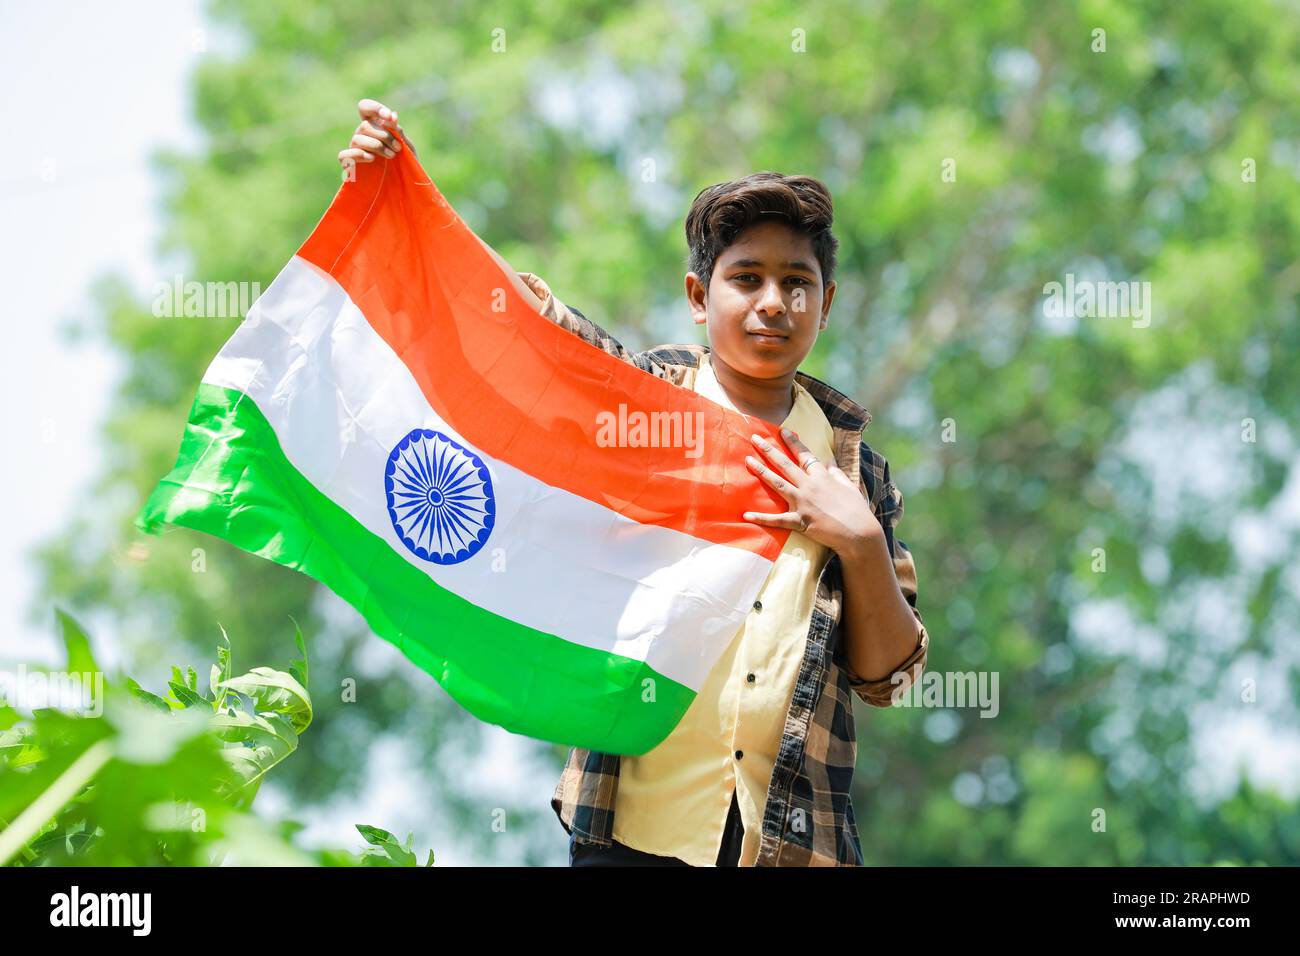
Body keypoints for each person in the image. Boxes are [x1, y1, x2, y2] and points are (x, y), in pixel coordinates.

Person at [340, 99, 931, 867]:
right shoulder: (646, 405)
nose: (772, 303)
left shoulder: (857, 470)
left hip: (794, 844)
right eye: (745, 278)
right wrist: (396, 196)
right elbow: (529, 331)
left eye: (797, 282)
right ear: (698, 297)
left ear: (827, 303)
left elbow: (891, 678)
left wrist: (856, 540)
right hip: (628, 833)